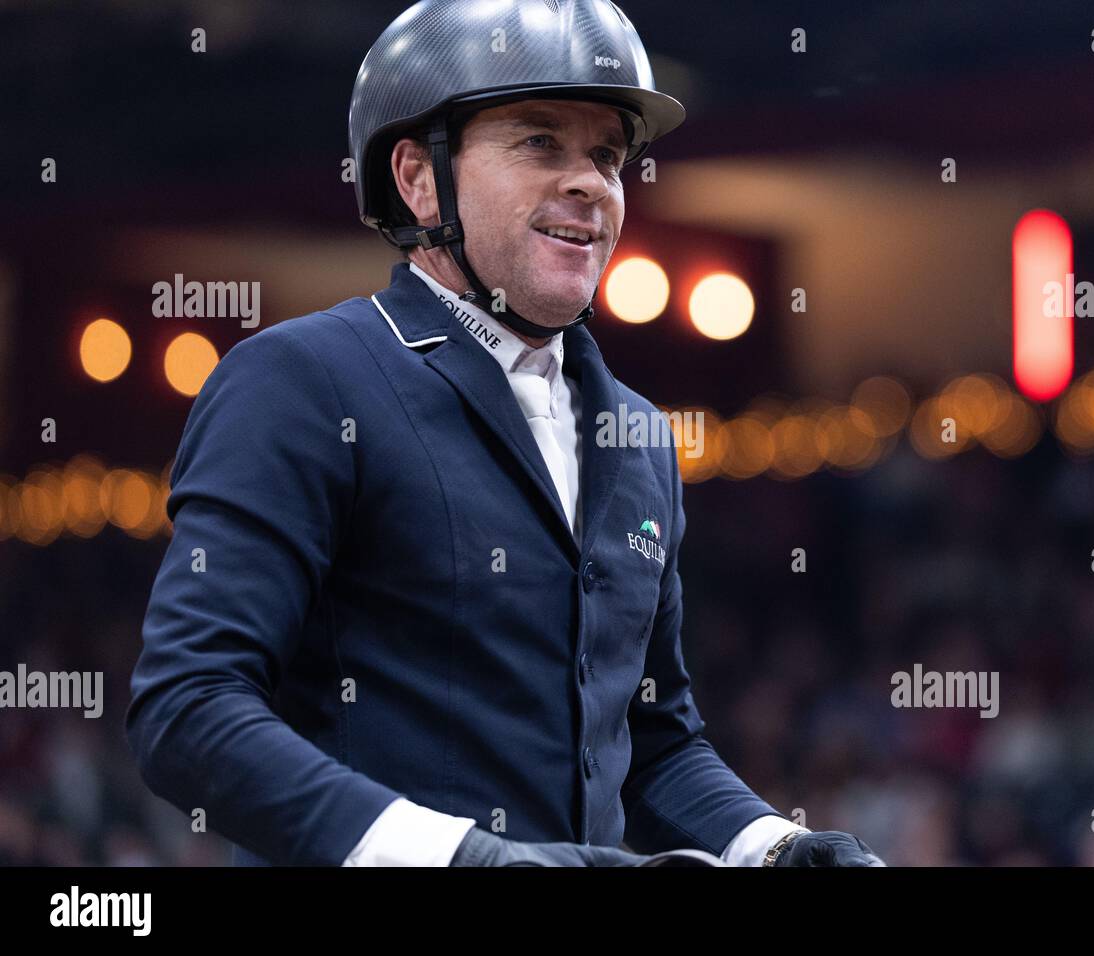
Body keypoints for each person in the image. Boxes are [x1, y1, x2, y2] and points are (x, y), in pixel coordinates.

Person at [126, 0, 884, 868]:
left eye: (607, 154)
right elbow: (187, 708)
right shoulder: (297, 381)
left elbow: (654, 744)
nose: (592, 183)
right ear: (418, 179)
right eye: (539, 143)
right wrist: (461, 860)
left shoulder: (638, 435)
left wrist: (775, 847)